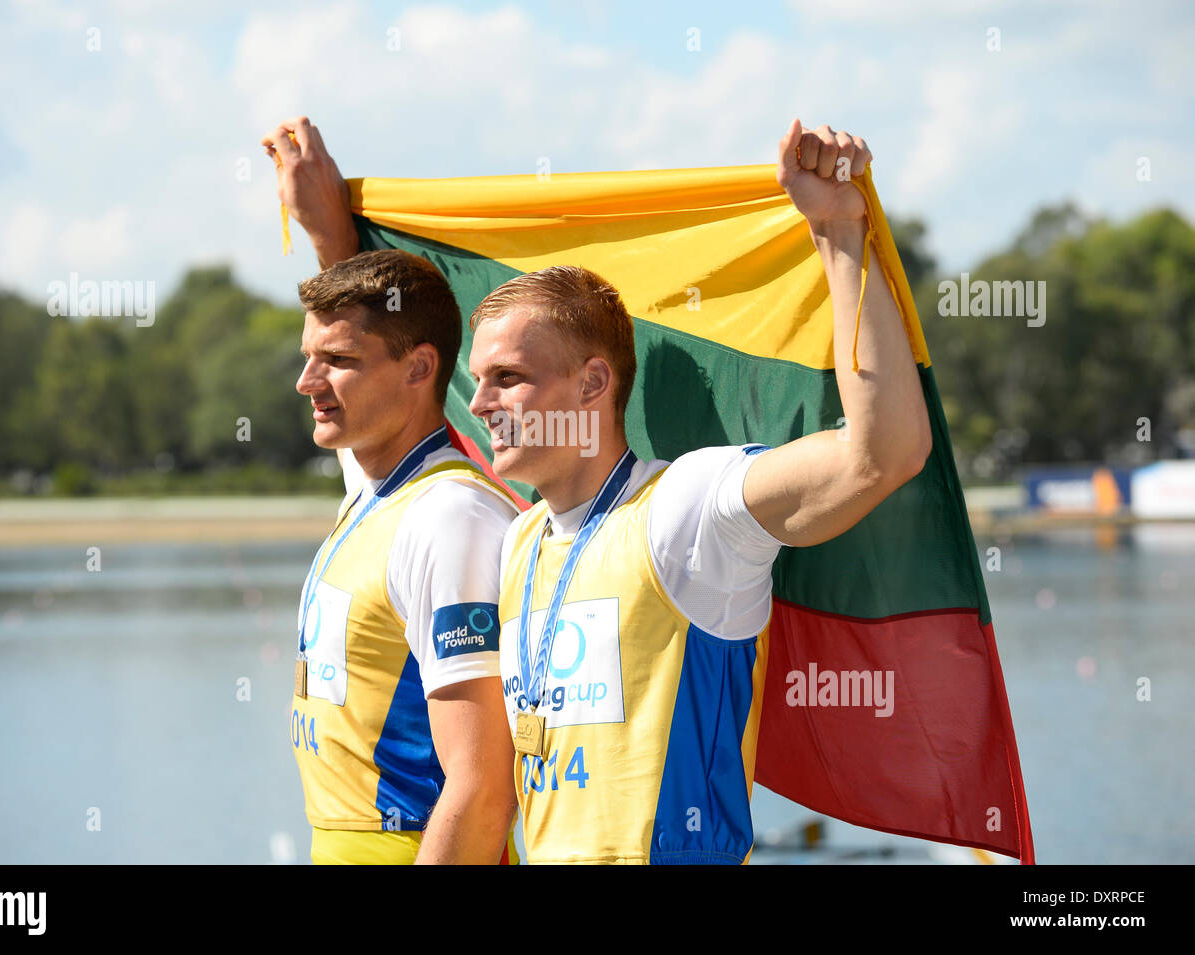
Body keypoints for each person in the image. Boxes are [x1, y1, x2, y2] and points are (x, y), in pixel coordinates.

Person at [463, 119, 932, 863]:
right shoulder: (519, 541)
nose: (480, 402)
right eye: (477, 378)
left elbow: (884, 452)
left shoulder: (686, 507)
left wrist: (840, 232)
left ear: (592, 383)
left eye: (508, 378)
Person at [265, 119, 519, 865]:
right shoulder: (377, 489)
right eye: (309, 355)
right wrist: (327, 231)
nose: (307, 382)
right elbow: (375, 316)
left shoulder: (452, 518)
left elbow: (481, 787)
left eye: (336, 360)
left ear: (419, 371)